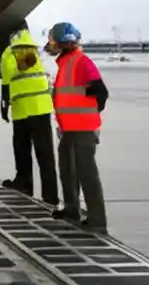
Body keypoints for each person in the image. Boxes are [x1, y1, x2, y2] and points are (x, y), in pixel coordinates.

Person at [47, 22, 108, 233]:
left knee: (86, 172)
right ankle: (72, 209)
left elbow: (101, 92)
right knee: (67, 167)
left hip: (82, 128)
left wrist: (87, 115)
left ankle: (97, 220)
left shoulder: (81, 62)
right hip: (70, 128)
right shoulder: (66, 64)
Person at [0, 24, 58, 206]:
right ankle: (51, 195)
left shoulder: (10, 52)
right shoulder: (33, 49)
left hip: (22, 107)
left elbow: (7, 80)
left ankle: (24, 183)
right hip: (40, 106)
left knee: (21, 147)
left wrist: (4, 104)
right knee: (45, 152)